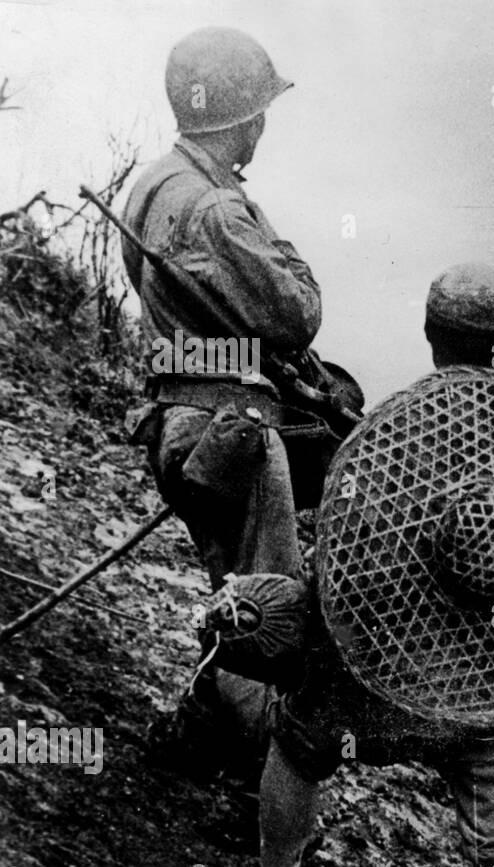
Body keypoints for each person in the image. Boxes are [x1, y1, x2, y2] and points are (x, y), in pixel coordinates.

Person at [198, 265, 494, 867]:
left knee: (299, 745)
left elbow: (339, 572)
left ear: (430, 338)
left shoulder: (395, 432)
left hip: (382, 680)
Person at [121, 27, 340, 780]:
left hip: (180, 424)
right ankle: (253, 780)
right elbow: (297, 311)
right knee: (266, 610)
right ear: (243, 120)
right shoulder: (219, 210)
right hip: (235, 433)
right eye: (260, 113)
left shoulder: (151, 186)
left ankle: (199, 734)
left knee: (232, 589)